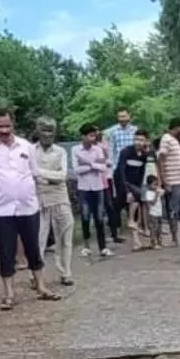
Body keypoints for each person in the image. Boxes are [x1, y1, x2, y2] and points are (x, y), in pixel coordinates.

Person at [0, 109, 59, 309]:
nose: (4, 130)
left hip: (28, 207)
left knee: (33, 248)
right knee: (6, 251)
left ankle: (41, 286)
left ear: (13, 124)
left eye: (7, 126)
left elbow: (35, 175)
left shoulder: (26, 146)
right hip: (1, 210)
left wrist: (37, 199)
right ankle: (9, 293)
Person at [32, 117, 75, 286]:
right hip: (39, 200)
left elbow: (62, 176)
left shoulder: (60, 152)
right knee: (38, 240)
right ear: (38, 131)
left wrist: (39, 172)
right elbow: (29, 174)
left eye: (51, 131)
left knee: (65, 237)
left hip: (60, 198)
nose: (47, 134)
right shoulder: (31, 151)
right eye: (44, 130)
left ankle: (66, 272)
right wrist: (50, 176)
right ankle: (36, 276)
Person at [72, 123, 113, 258]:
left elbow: (103, 167)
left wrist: (88, 163)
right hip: (84, 188)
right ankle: (86, 246)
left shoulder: (98, 149)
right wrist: (94, 165)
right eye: (90, 136)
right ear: (83, 136)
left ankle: (103, 247)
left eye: (94, 136)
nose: (93, 139)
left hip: (98, 186)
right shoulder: (75, 150)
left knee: (99, 217)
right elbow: (77, 169)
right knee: (85, 216)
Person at [158, 118, 180, 246]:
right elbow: (161, 160)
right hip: (172, 181)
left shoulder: (175, 141)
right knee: (173, 211)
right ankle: (174, 238)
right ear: (176, 128)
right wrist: (164, 181)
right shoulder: (166, 139)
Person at [116, 129, 151, 250]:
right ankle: (127, 224)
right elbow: (121, 171)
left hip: (135, 185)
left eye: (141, 140)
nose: (138, 142)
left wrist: (138, 188)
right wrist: (127, 191)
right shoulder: (126, 152)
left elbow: (141, 173)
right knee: (134, 200)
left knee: (136, 205)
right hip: (123, 184)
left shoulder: (144, 155)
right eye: (136, 139)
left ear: (146, 141)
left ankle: (136, 242)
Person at [105, 109, 136, 243]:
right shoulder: (112, 131)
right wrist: (111, 168)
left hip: (133, 169)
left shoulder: (135, 130)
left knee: (135, 197)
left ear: (129, 116)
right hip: (118, 169)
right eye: (119, 117)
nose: (122, 119)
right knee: (118, 199)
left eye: (124, 116)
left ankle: (134, 226)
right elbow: (110, 150)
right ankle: (115, 229)